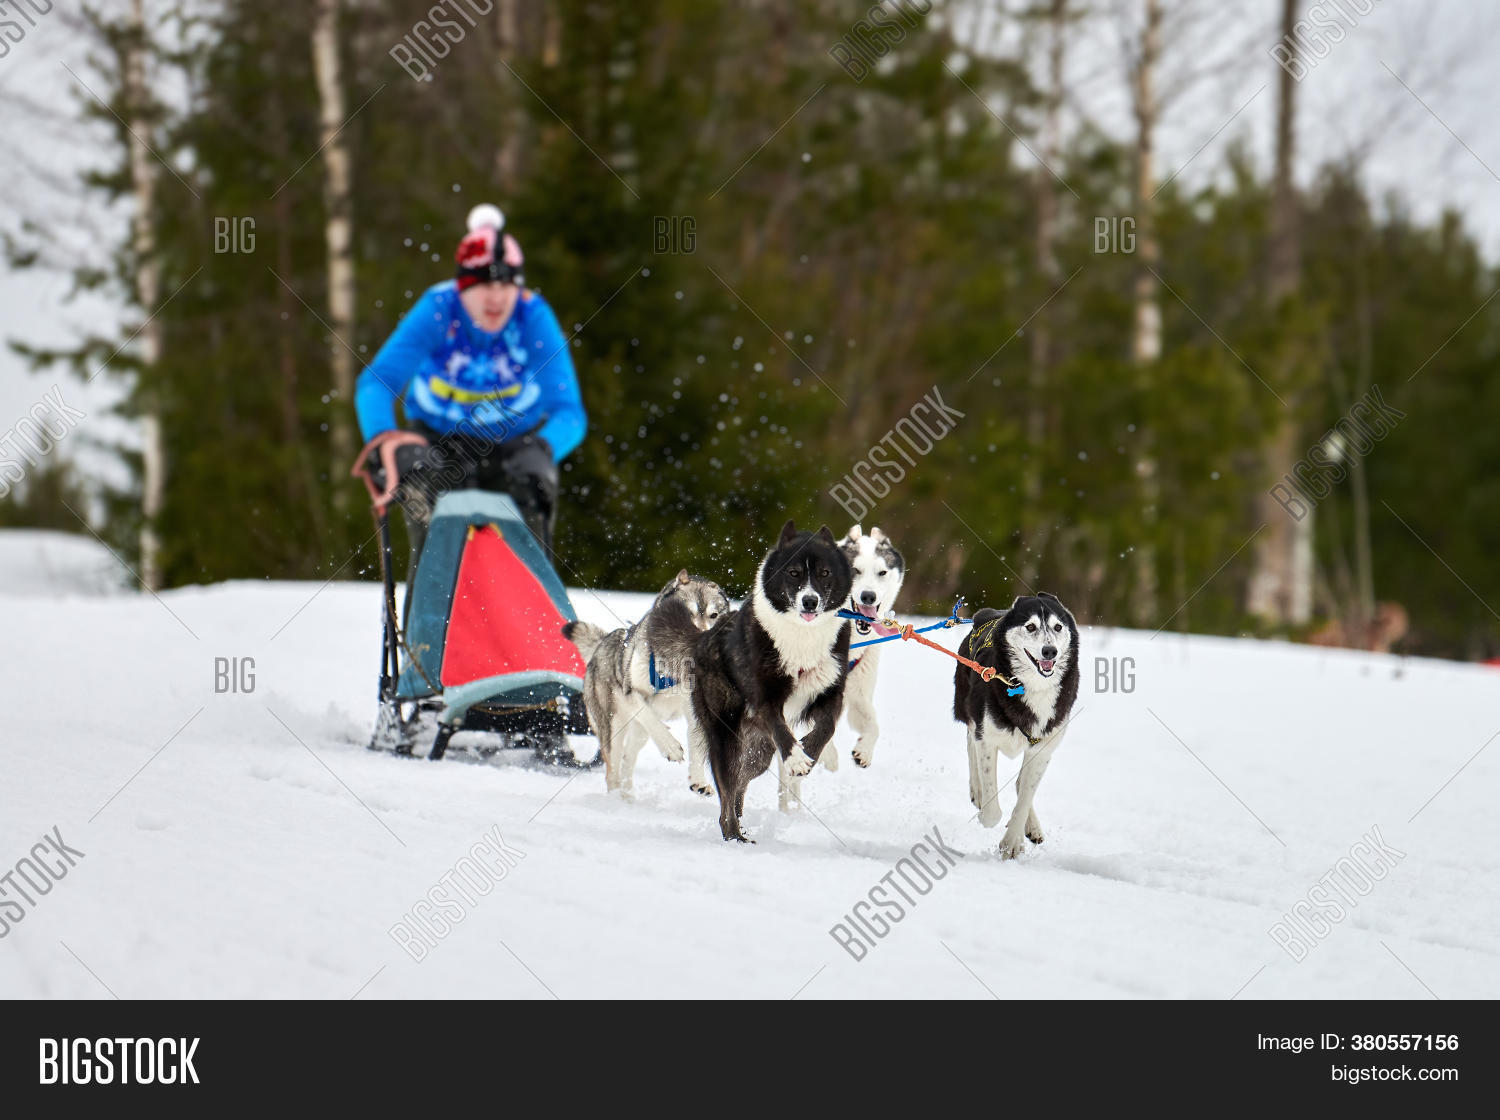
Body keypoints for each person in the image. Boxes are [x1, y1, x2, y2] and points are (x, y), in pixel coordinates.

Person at [353, 204, 585, 565]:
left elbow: (569, 412)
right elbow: (376, 383)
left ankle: (531, 611)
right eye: (484, 285)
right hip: (437, 440)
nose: (496, 297)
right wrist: (385, 438)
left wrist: (543, 446)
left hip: (512, 442)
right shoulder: (438, 308)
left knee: (532, 483)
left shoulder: (533, 315)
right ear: (462, 288)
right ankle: (430, 610)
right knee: (425, 493)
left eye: (506, 283)